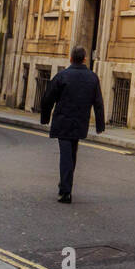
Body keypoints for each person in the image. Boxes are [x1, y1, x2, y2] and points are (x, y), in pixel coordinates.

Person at [39, 46, 105, 204]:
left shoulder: (62, 76)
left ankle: (65, 191)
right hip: (80, 121)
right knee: (72, 153)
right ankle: (65, 184)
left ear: (70, 58)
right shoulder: (92, 78)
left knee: (66, 155)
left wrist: (45, 117)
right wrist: (100, 124)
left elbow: (48, 98)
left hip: (63, 120)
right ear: (84, 59)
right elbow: (98, 102)